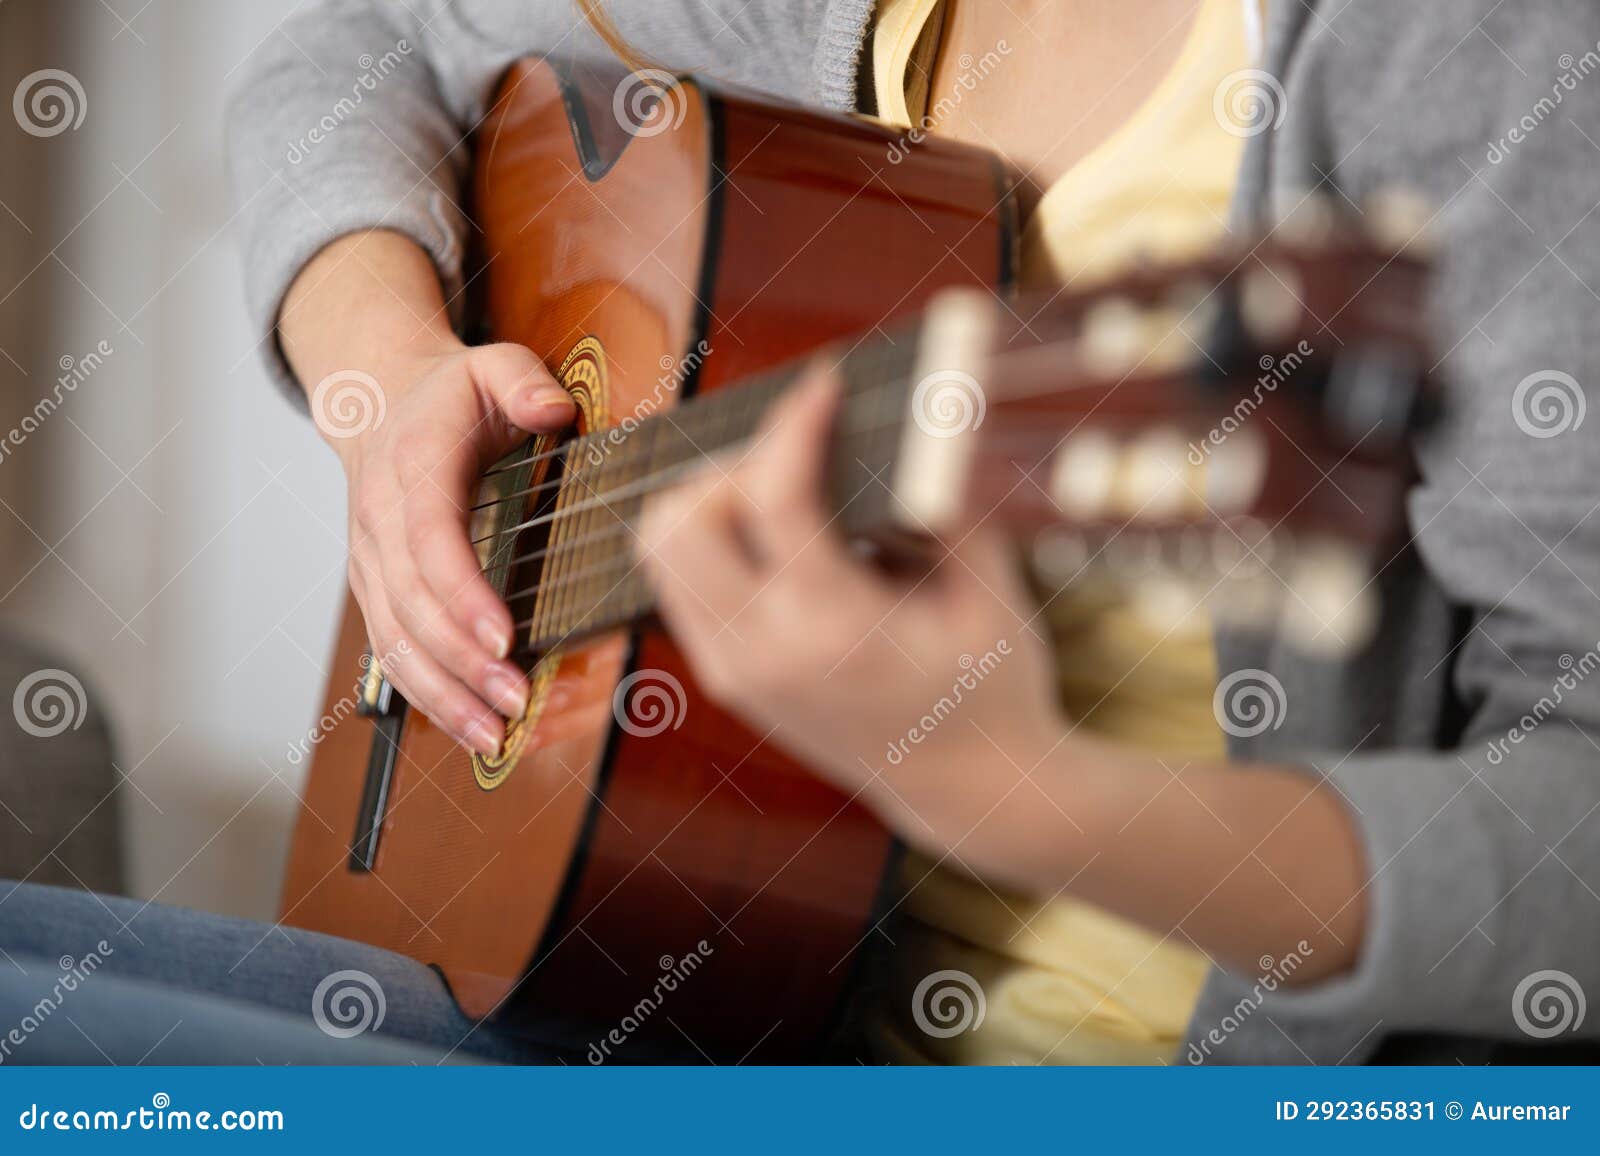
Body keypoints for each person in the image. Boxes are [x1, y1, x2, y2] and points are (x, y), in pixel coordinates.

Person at [4, 0, 1597, 1065]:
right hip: (656, 989)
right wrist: (388, 382)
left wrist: (1020, 791)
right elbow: (360, 46)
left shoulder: (1459, 47)